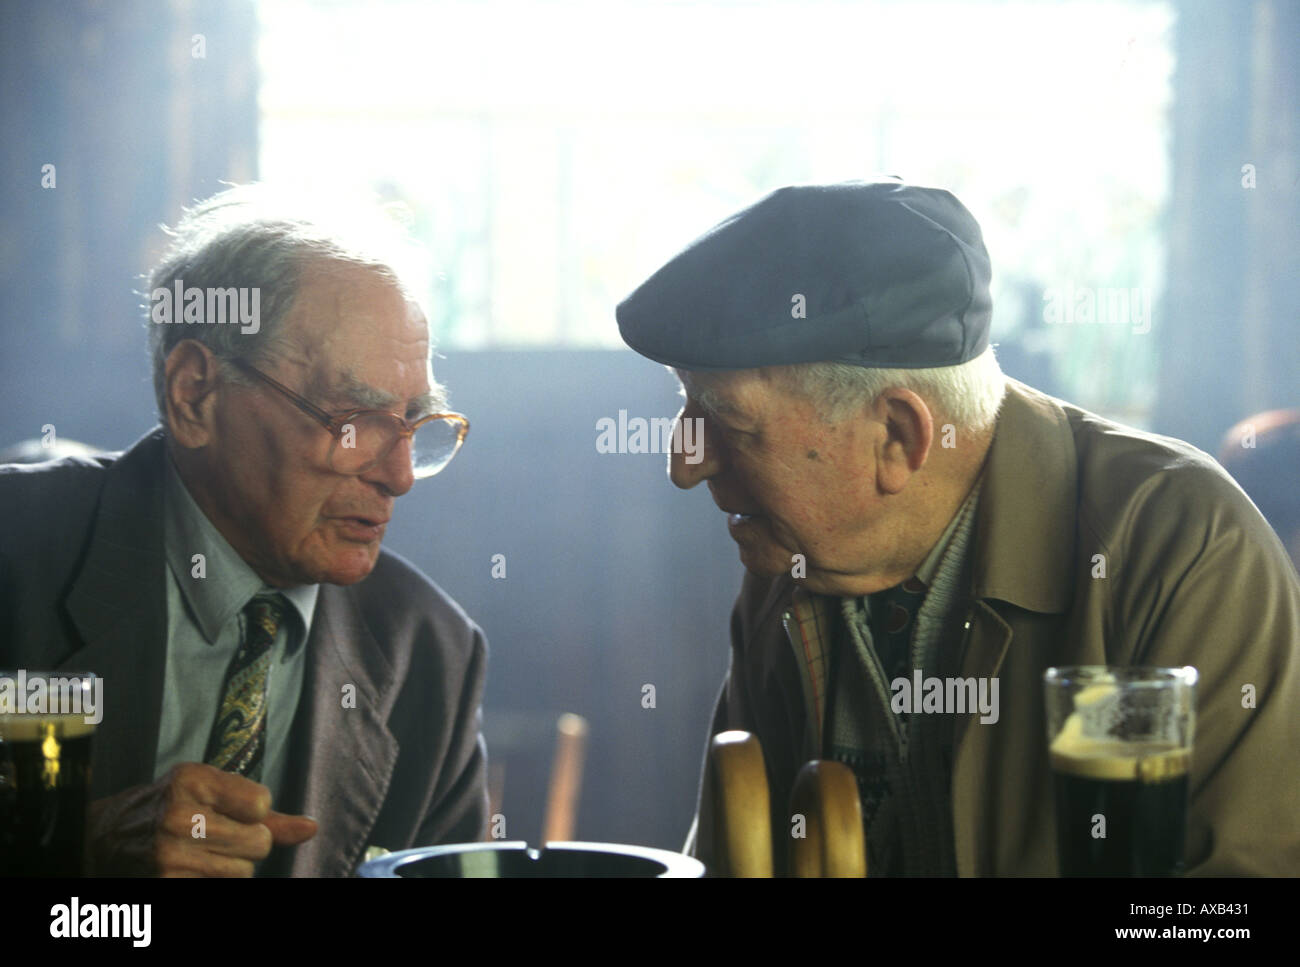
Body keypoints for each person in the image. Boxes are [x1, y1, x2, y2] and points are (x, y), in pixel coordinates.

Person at [616, 178, 1300, 875]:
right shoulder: (790, 572)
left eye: (727, 421)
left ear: (898, 435)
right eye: (685, 402)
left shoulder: (1184, 550)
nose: (683, 462)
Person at [0, 185, 489, 876]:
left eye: (416, 424)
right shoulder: (16, 552)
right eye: (354, 421)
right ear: (194, 393)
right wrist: (75, 851)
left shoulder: (429, 653)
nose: (400, 475)